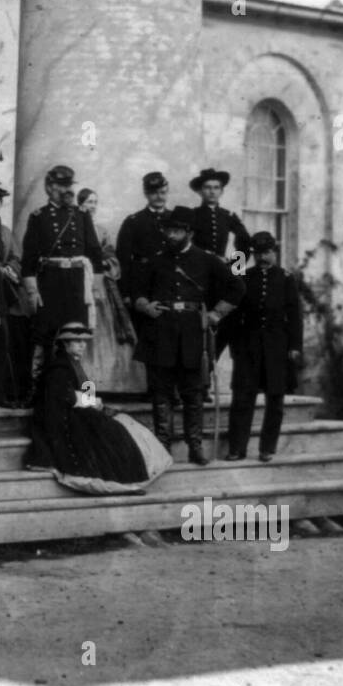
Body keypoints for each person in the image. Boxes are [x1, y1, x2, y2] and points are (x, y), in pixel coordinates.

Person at [132, 206, 244, 464]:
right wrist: (145, 306)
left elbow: (237, 286)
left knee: (193, 394)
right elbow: (136, 290)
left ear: (189, 233)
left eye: (176, 231)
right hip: (160, 333)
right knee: (161, 395)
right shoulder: (156, 260)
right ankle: (162, 448)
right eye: (168, 230)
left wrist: (216, 313)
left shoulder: (206, 260)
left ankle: (195, 447)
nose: (170, 235)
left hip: (193, 334)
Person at [25, 323, 172, 495]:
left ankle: (130, 478)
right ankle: (120, 482)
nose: (82, 345)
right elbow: (62, 399)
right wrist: (90, 403)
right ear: (65, 344)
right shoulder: (59, 368)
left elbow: (86, 389)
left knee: (122, 423)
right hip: (65, 418)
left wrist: (95, 402)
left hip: (79, 411)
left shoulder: (75, 364)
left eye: (84, 342)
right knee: (111, 432)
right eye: (77, 341)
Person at [225, 231, 303, 462]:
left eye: (267, 253)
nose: (263, 258)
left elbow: (295, 315)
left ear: (275, 252)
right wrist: (234, 345)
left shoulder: (286, 278)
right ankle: (237, 448)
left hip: (277, 348)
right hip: (248, 347)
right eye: (258, 253)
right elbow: (233, 315)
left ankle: (267, 448)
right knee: (242, 398)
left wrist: (295, 346)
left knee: (275, 400)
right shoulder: (244, 278)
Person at [21, 164, 104, 377]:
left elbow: (95, 252)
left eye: (70, 185)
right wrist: (32, 291)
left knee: (78, 340)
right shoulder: (38, 217)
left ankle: (82, 394)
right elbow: (28, 259)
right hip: (50, 283)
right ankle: (40, 392)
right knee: (45, 338)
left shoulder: (81, 214)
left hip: (77, 283)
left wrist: (95, 288)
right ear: (49, 187)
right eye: (62, 185)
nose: (68, 190)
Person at [76, 188, 143, 392]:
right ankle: (86, 381)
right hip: (80, 282)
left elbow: (110, 254)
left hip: (100, 283)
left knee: (106, 327)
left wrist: (105, 261)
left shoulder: (101, 230)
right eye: (88, 202)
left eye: (95, 202)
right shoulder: (72, 227)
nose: (92, 206)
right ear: (80, 205)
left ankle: (109, 383)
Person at [189, 167, 253, 359]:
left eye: (216, 187)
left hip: (220, 277)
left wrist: (234, 268)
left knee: (226, 320)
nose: (212, 191)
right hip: (197, 274)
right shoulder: (193, 215)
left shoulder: (228, 216)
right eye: (207, 187)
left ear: (222, 191)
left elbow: (244, 241)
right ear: (200, 191)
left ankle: (209, 368)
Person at [0, 178, 33, 407]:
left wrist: (7, 270)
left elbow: (17, 258)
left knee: (5, 342)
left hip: (3, 291)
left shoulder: (4, 230)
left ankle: (0, 391)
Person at [115, 171, 172, 310]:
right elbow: (123, 259)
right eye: (154, 193)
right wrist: (125, 292)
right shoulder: (133, 221)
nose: (159, 197)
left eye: (163, 192)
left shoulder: (175, 219)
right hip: (142, 283)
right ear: (146, 194)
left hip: (170, 282)